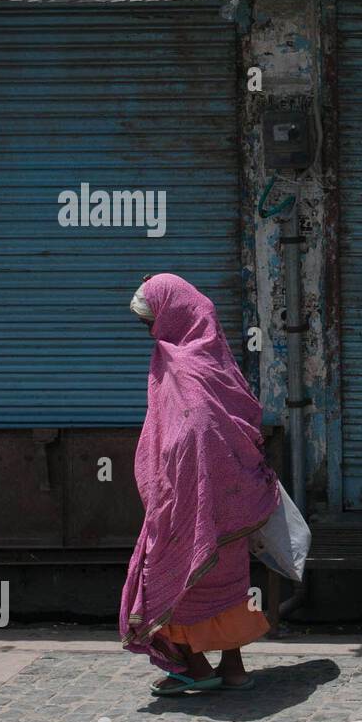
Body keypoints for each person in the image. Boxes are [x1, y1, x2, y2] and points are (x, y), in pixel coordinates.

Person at [120, 273, 281, 696]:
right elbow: (241, 420)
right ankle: (234, 668)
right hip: (231, 502)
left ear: (174, 316)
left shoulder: (176, 362)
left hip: (191, 501)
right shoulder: (217, 359)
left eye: (151, 321)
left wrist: (170, 490)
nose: (151, 331)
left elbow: (185, 434)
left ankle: (193, 666)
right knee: (228, 582)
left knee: (170, 574)